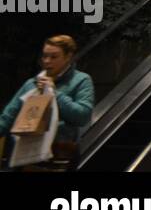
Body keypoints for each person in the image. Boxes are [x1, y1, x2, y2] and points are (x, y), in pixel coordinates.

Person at [0, 35, 95, 167]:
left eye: (54, 57)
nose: (47, 61)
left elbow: (83, 116)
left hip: (59, 155)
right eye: (44, 56)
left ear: (68, 56)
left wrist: (55, 93)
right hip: (25, 156)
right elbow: (8, 117)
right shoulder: (32, 83)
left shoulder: (81, 80)